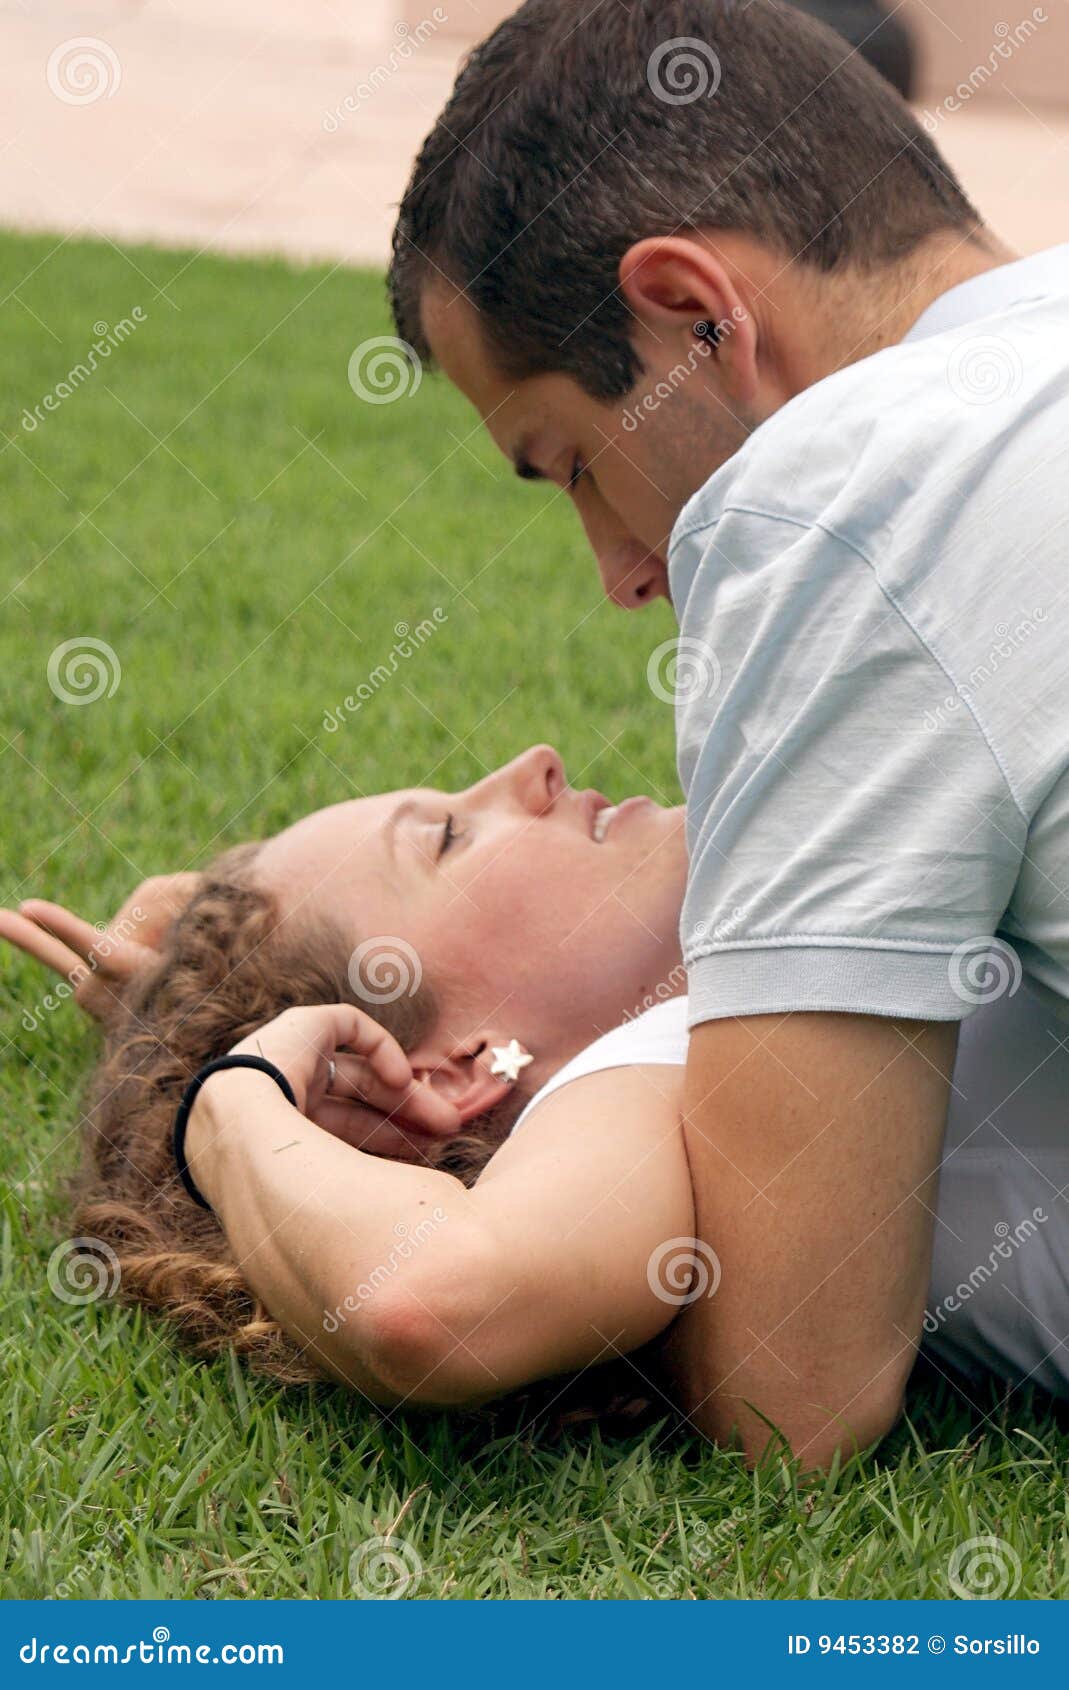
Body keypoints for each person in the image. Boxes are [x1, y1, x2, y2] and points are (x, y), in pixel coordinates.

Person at [386, 0, 1069, 1463]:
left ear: (695, 314)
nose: (628, 574)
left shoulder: (844, 485)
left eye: (569, 463)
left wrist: (241, 1101)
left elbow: (793, 1390)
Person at [3, 749, 1068, 1448]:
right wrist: (222, 1105)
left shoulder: (801, 919)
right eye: (448, 836)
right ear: (456, 1069)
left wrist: (189, 996)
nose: (535, 766)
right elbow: (427, 1300)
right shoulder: (660, 1069)